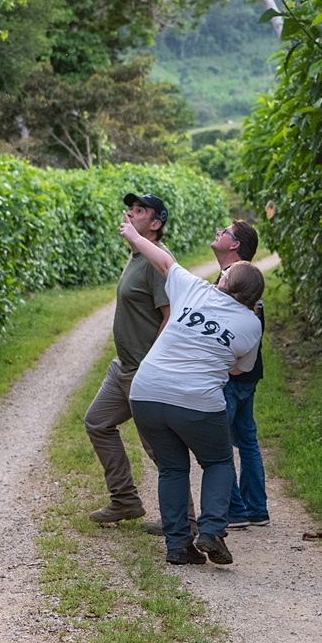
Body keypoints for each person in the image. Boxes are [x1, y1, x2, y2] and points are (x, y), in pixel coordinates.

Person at [120, 216, 265, 566]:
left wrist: (133, 235)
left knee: (172, 469)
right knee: (217, 461)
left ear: (225, 280)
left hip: (147, 392)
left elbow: (163, 259)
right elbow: (238, 369)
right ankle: (212, 531)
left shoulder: (194, 289)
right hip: (198, 401)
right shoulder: (251, 323)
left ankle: (178, 547)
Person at [85, 193, 172, 525]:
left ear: (154, 224)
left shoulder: (157, 260)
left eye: (140, 211)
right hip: (123, 367)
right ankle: (124, 500)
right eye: (130, 209)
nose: (130, 214)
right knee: (98, 422)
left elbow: (170, 315)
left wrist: (153, 364)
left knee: (159, 449)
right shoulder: (136, 257)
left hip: (143, 371)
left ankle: (186, 520)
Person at [211, 220, 271, 529]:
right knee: (247, 439)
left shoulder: (234, 281)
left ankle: (235, 509)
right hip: (247, 373)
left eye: (225, 232)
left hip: (232, 377)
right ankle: (256, 507)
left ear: (235, 245)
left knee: (220, 443)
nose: (219, 233)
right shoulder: (246, 278)